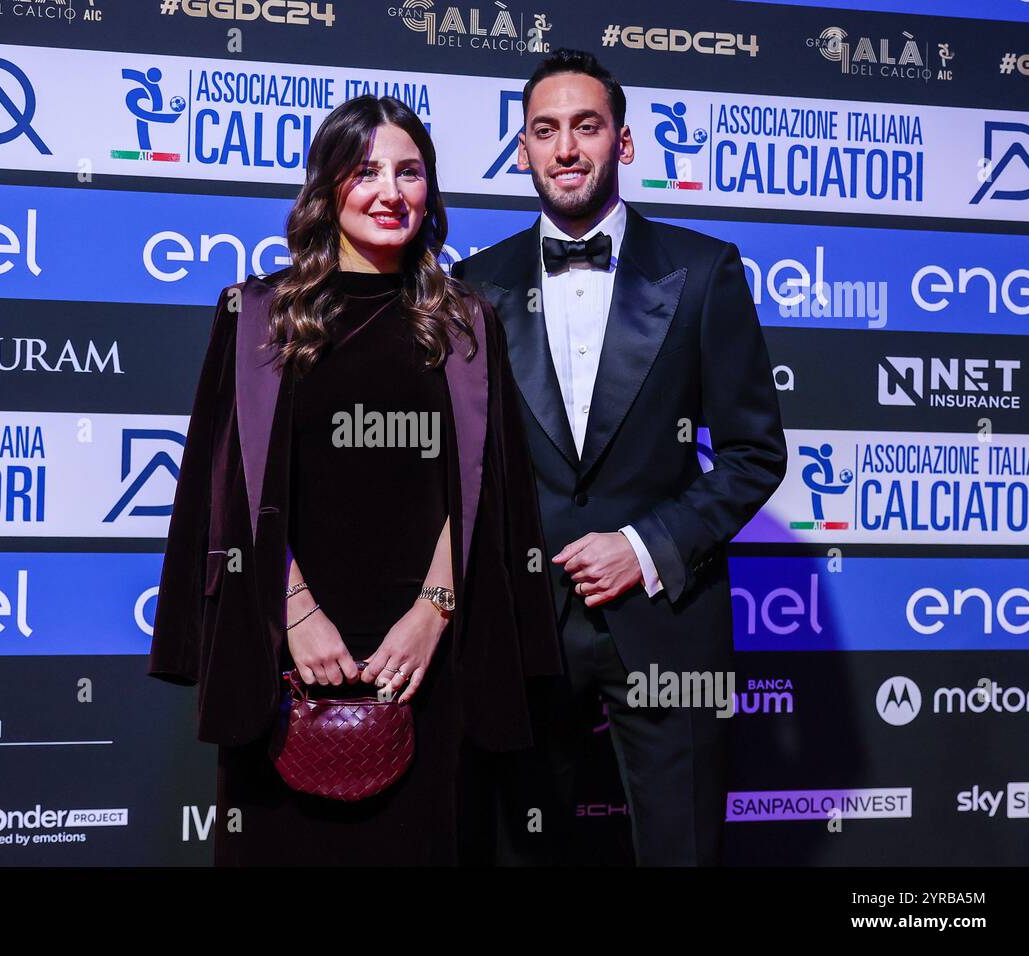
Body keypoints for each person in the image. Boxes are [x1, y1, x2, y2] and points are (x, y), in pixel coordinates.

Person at [148, 94, 561, 866]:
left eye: (410, 172)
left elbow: (485, 493)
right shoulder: (257, 316)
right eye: (366, 171)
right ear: (328, 186)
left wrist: (432, 613)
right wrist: (297, 614)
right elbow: (226, 489)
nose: (390, 191)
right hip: (286, 656)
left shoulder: (468, 323)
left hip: (428, 663)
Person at [452, 49, 788, 866]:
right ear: (522, 149)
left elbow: (753, 454)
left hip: (669, 625)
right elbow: (460, 472)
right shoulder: (470, 285)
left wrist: (641, 548)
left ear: (624, 143)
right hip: (523, 626)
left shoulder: (705, 271)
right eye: (546, 130)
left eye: (587, 127)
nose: (567, 148)